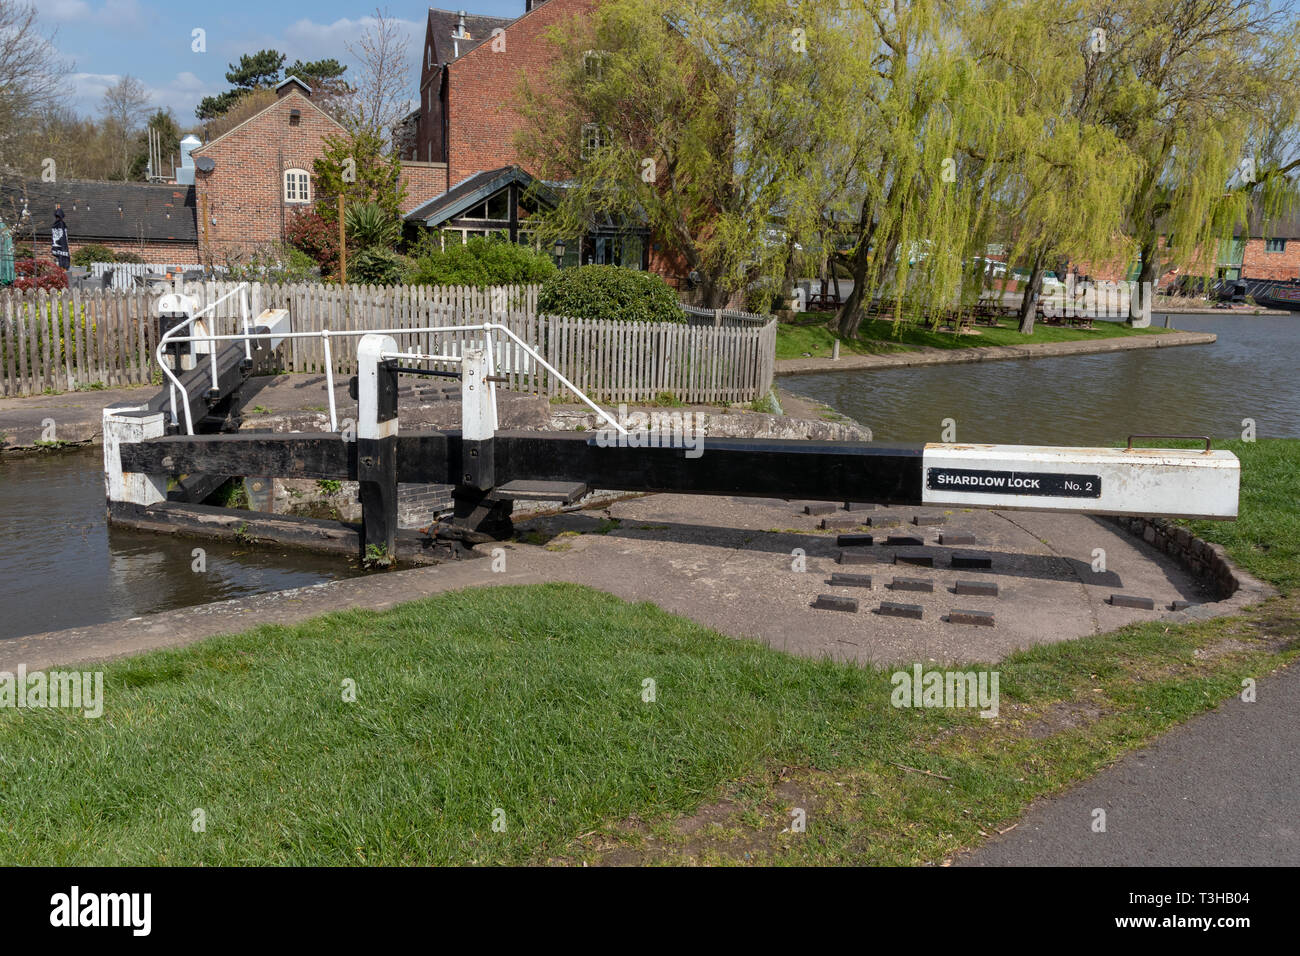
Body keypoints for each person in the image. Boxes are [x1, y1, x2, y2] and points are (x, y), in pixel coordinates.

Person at [51, 205, 70, 271]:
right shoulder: (61, 224)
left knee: (62, 259)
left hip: (59, 248)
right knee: (63, 259)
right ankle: (63, 268)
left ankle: (62, 268)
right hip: (61, 247)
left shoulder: (55, 225)